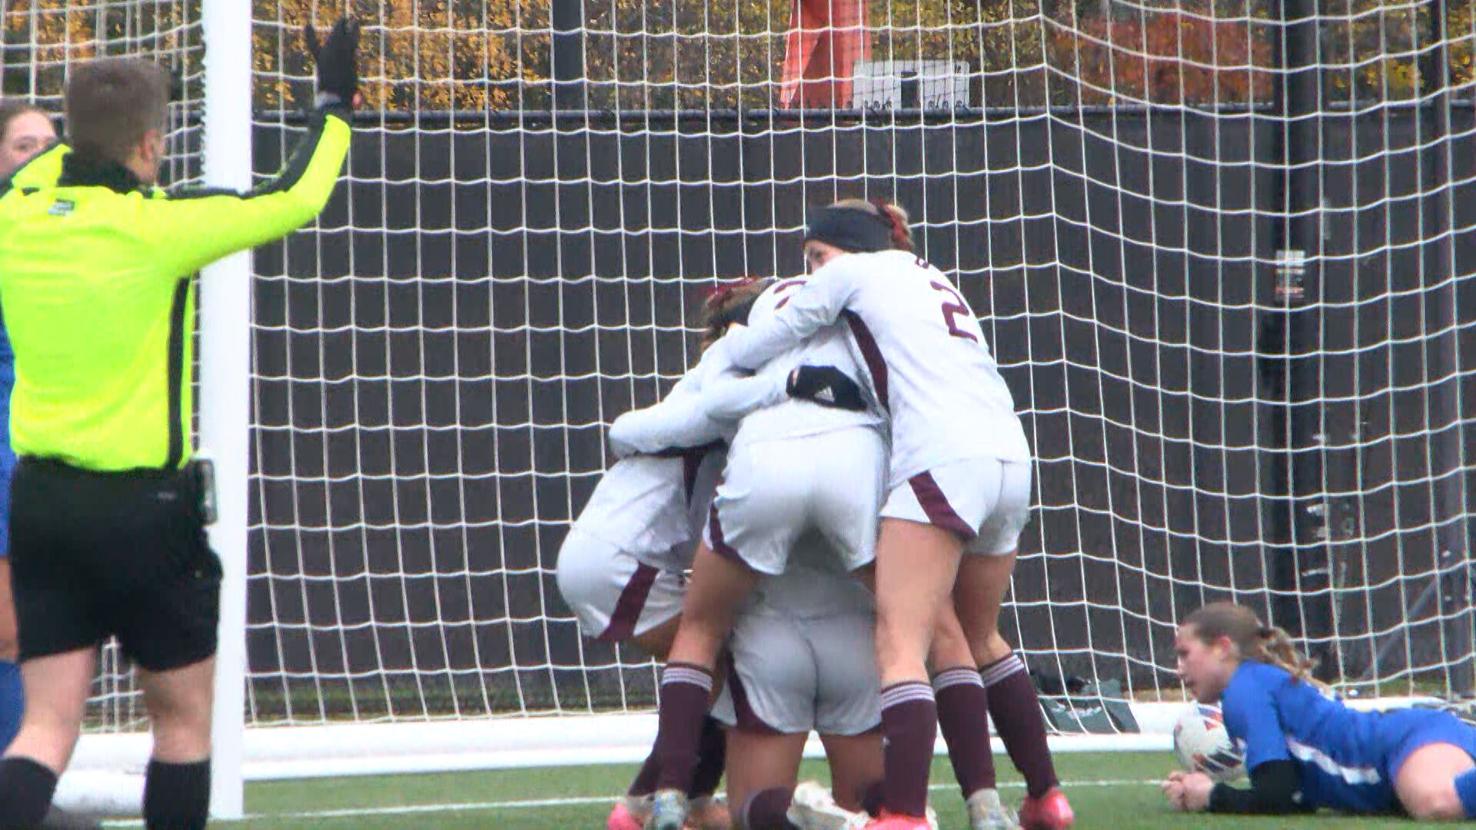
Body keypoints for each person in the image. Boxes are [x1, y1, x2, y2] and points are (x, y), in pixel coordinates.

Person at [0, 19, 359, 829]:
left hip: (44, 504)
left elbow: (47, 170)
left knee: (46, 726)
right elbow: (296, 194)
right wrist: (333, 105)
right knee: (184, 723)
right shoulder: (161, 228)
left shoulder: (16, 218)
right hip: (144, 512)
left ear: (64, 137)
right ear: (152, 145)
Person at [651, 199, 1070, 830]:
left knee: (903, 642)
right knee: (973, 635)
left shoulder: (852, 276)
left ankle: (899, 815)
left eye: (817, 257)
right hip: (1009, 457)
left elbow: (767, 340)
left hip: (937, 459)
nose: (813, 271)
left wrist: (729, 345)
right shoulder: (937, 279)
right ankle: (1038, 797)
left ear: (847, 250)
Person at [558, 280, 777, 830]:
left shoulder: (706, 385)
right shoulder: (726, 391)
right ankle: (646, 807)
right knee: (735, 666)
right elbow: (680, 427)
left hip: (605, 551)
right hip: (617, 558)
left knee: (725, 659)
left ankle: (689, 804)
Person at [1163, 600, 1476, 820]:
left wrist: (1210, 796)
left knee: (1436, 803)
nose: (1178, 668)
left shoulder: (1245, 689)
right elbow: (1296, 798)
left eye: (1185, 654)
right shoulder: (1254, 683)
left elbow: (1276, 794)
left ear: (1222, 647)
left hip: (1402, 742)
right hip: (1407, 745)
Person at [0, 99, 58, 753]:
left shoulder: (67, 230)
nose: (41, 154)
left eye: (50, 141)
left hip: (41, 449)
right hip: (5, 449)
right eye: (23, 144)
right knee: (10, 632)